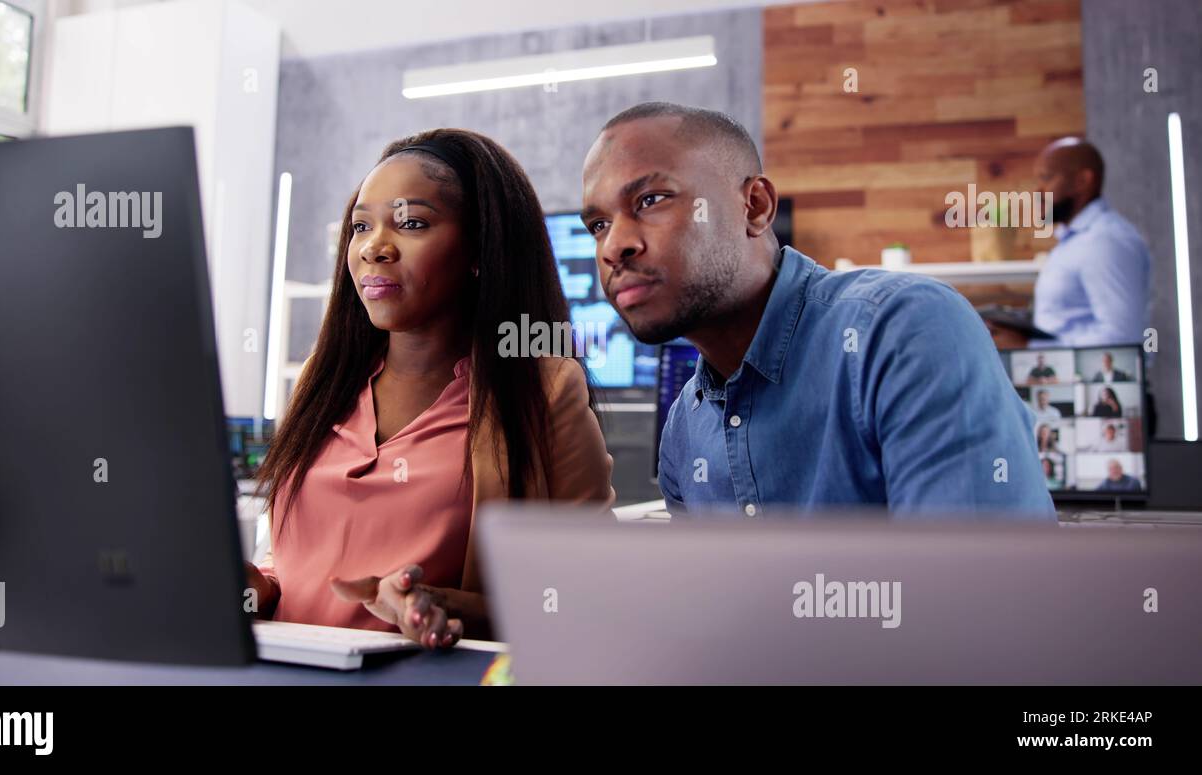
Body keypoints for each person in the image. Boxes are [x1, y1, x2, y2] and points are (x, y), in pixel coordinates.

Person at [580, 101, 1054, 518]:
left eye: (651, 200)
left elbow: (985, 601)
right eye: (598, 224)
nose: (614, 246)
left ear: (755, 206)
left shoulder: (903, 332)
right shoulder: (685, 431)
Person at [246, 129, 615, 648]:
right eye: (360, 226)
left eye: (411, 223)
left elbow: (587, 598)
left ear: (479, 249)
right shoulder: (321, 380)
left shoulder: (544, 391)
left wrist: (441, 607)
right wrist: (254, 588)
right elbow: (297, 565)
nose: (374, 247)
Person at [992, 139, 1150, 349]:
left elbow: (1123, 338)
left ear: (1082, 181)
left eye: (1047, 178)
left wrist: (1029, 346)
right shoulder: (1074, 241)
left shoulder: (1105, 242)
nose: (1038, 191)